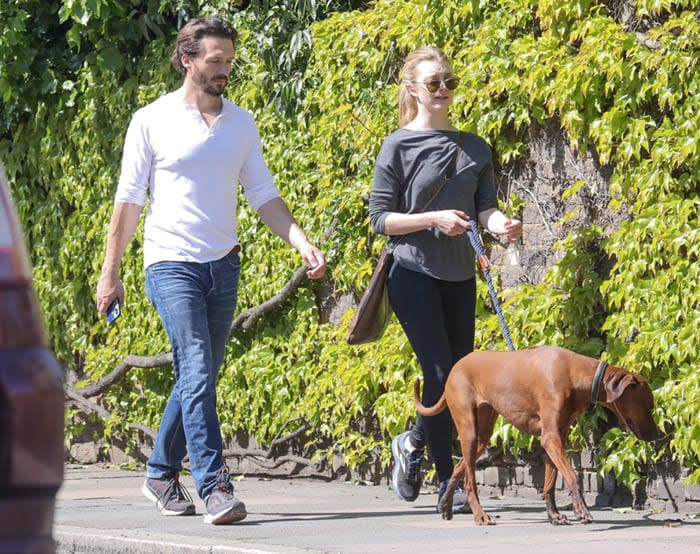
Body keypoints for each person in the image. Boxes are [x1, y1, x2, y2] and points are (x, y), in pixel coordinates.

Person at [95, 17, 326, 525]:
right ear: (188, 60)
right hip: (170, 262)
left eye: (229, 60)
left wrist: (300, 240)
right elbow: (129, 202)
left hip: (223, 264)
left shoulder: (241, 123)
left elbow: (263, 194)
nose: (225, 69)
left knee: (199, 375)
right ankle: (215, 488)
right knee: (197, 369)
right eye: (215, 60)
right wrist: (110, 272)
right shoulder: (150, 120)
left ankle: (159, 472)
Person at [368, 46, 521, 512]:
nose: (443, 90)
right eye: (433, 83)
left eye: (449, 82)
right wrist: (432, 218)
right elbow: (380, 219)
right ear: (413, 88)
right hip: (411, 269)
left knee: (462, 378)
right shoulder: (398, 145)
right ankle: (444, 479)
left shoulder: (475, 147)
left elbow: (485, 209)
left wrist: (501, 225)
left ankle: (411, 443)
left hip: (459, 273)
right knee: (441, 371)